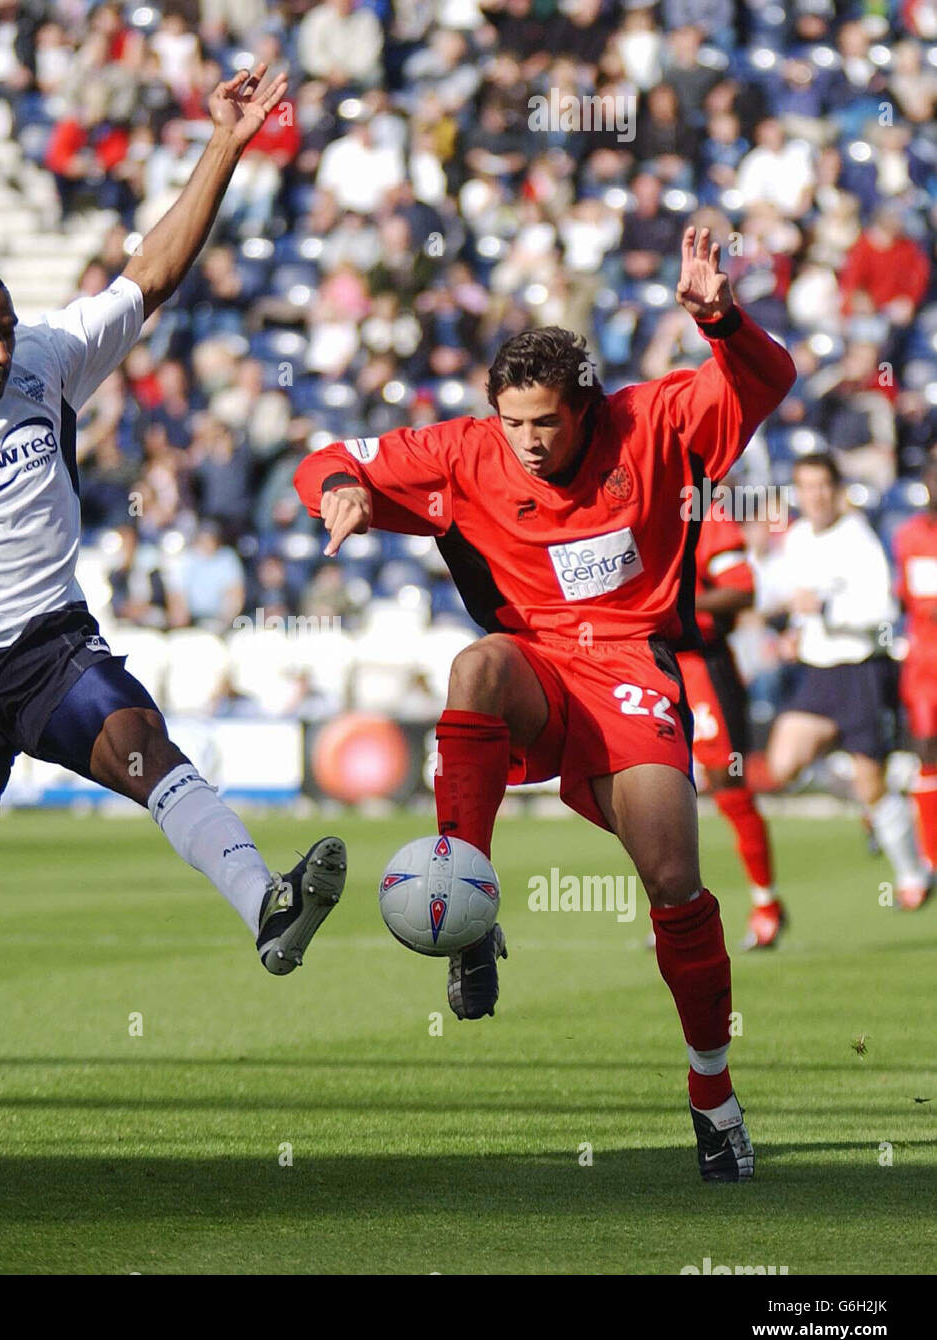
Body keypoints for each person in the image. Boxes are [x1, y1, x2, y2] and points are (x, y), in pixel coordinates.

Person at [0, 64, 347, 1172]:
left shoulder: (44, 360)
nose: (2, 352)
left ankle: (266, 903)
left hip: (49, 646)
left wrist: (224, 143)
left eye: (7, 331)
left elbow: (152, 276)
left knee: (143, 745)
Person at [295, 226, 796, 1182]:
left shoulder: (655, 421)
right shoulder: (465, 449)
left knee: (676, 888)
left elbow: (770, 380)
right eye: (512, 422)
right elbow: (324, 457)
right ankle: (467, 901)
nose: (528, 443)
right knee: (477, 664)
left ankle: (713, 1095)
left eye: (546, 424)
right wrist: (339, 497)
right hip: (536, 664)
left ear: (585, 407)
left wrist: (720, 321)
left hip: (633, 672)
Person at [761, 454, 930, 910]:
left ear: (836, 489)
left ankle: (914, 873)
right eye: (805, 486)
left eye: (821, 485)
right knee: (782, 764)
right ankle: (869, 801)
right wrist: (790, 632)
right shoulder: (796, 539)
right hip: (819, 673)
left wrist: (828, 612)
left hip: (861, 671)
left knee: (871, 785)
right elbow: (784, 597)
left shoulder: (858, 540)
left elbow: (883, 614)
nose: (814, 495)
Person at [675, 500, 787, 951]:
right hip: (645, 665)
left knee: (731, 786)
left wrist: (673, 602)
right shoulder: (629, 508)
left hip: (703, 665)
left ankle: (766, 905)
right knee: (654, 792)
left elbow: (742, 591)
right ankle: (675, 912)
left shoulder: (704, 515)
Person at [893, 453, 937, 868]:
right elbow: (903, 594)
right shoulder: (908, 536)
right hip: (924, 666)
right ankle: (931, 856)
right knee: (926, 752)